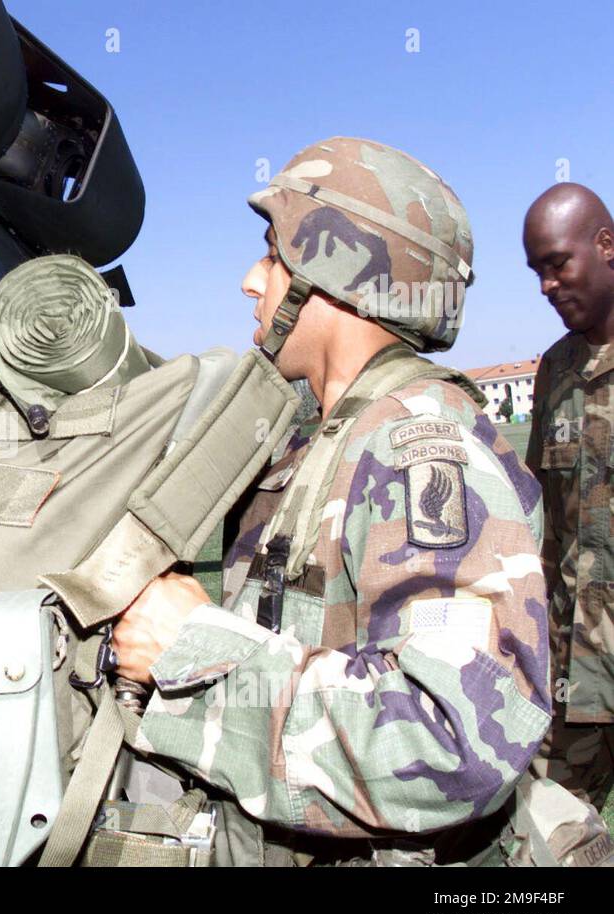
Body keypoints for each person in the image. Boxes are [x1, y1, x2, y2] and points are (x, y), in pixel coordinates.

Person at [110, 137, 551, 865]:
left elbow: (456, 739)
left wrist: (195, 652)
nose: (253, 281)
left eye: (274, 255)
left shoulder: (420, 445)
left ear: (336, 273)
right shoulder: (332, 436)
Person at [523, 182, 614, 808]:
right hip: (576, 670)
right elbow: (546, 523)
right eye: (537, 272)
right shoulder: (556, 371)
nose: (547, 286)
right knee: (548, 834)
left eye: (558, 264)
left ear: (605, 245)